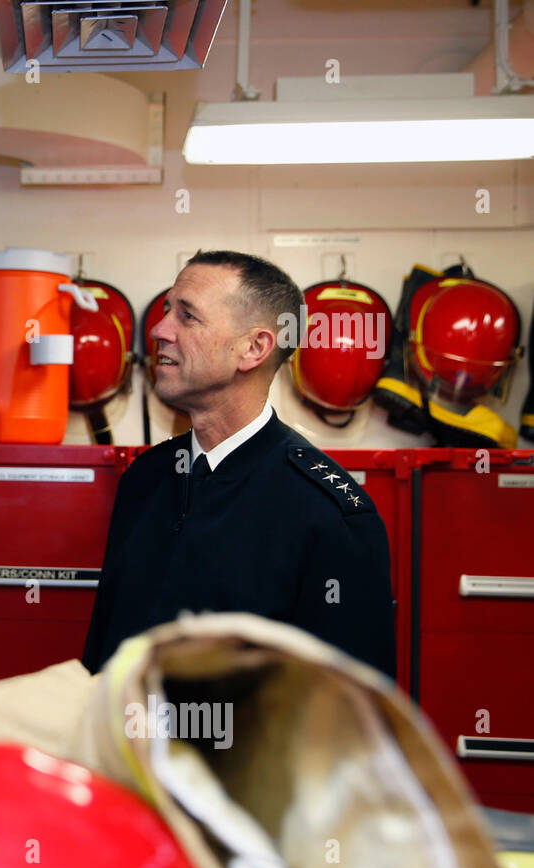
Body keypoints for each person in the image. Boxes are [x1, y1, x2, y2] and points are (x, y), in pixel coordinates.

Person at [82, 251, 396, 678]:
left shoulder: (329, 513)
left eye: (187, 317)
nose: (158, 329)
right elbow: (104, 653)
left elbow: (351, 718)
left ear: (253, 348)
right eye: (166, 310)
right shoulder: (144, 479)